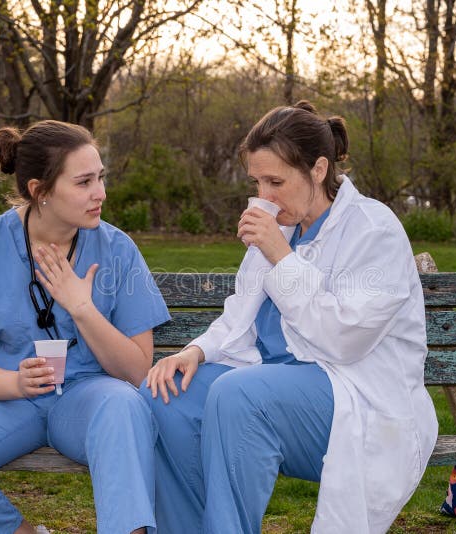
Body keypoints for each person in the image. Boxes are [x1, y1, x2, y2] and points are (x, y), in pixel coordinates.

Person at [140, 101, 438, 533]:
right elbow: (239, 314)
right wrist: (195, 351)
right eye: (258, 182)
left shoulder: (373, 229)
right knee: (165, 392)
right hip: (271, 384)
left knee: (239, 394)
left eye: (276, 181)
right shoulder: (280, 227)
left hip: (356, 395)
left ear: (318, 169)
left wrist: (281, 256)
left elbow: (344, 338)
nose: (265, 196)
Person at [0, 120, 170, 534]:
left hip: (88, 397)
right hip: (6, 399)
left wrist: (82, 308)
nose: (101, 193)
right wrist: (14, 383)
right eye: (84, 182)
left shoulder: (118, 249)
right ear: (39, 191)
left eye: (101, 178)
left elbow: (137, 372)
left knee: (125, 408)